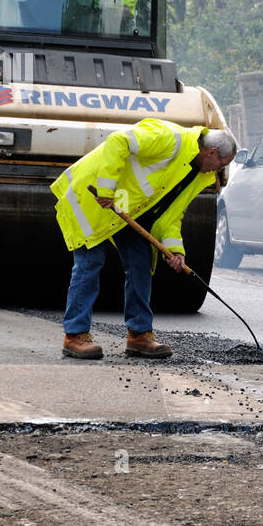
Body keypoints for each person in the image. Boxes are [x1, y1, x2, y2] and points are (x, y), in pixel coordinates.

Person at [51, 119, 236, 360]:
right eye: (222, 163)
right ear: (212, 152)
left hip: (127, 211)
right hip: (91, 198)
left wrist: (174, 250)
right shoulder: (170, 138)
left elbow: (171, 216)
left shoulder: (198, 175)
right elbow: (118, 141)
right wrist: (106, 189)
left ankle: (139, 336)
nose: (219, 170)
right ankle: (75, 336)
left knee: (140, 264)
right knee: (90, 262)